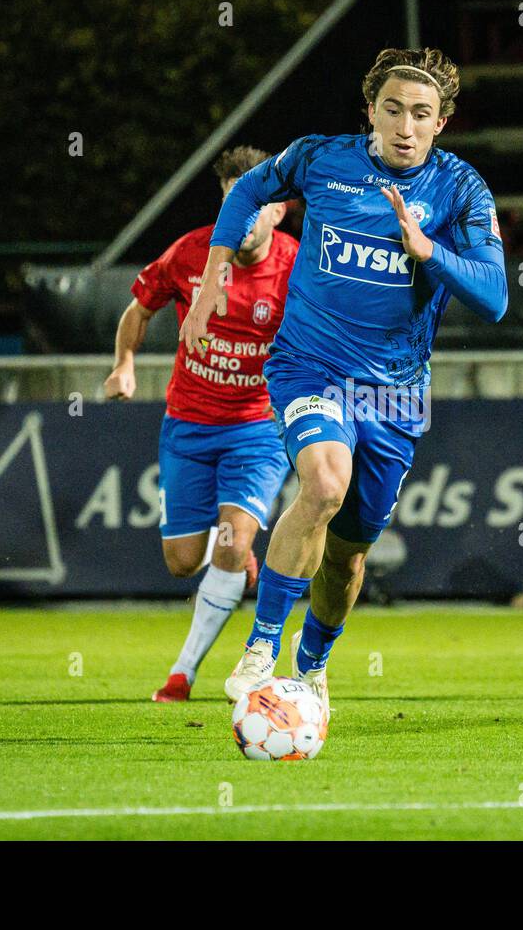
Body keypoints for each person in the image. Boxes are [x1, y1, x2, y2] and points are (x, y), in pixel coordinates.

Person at [180, 48, 509, 722]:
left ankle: (314, 662)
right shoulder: (319, 159)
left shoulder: (461, 190)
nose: (405, 126)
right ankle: (260, 647)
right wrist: (215, 271)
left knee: (348, 561)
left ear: (442, 122)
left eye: (421, 114)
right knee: (322, 484)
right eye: (392, 109)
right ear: (370, 111)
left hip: (393, 393)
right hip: (311, 365)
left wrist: (429, 252)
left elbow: (496, 296)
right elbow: (248, 190)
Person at [104, 146, 297, 702]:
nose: (242, 214)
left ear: (278, 210)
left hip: (257, 428)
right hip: (188, 424)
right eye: (232, 201)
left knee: (232, 544)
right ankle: (238, 561)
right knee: (182, 562)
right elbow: (139, 309)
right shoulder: (191, 253)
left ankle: (182, 673)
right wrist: (124, 364)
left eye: (255, 203)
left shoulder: (296, 266)